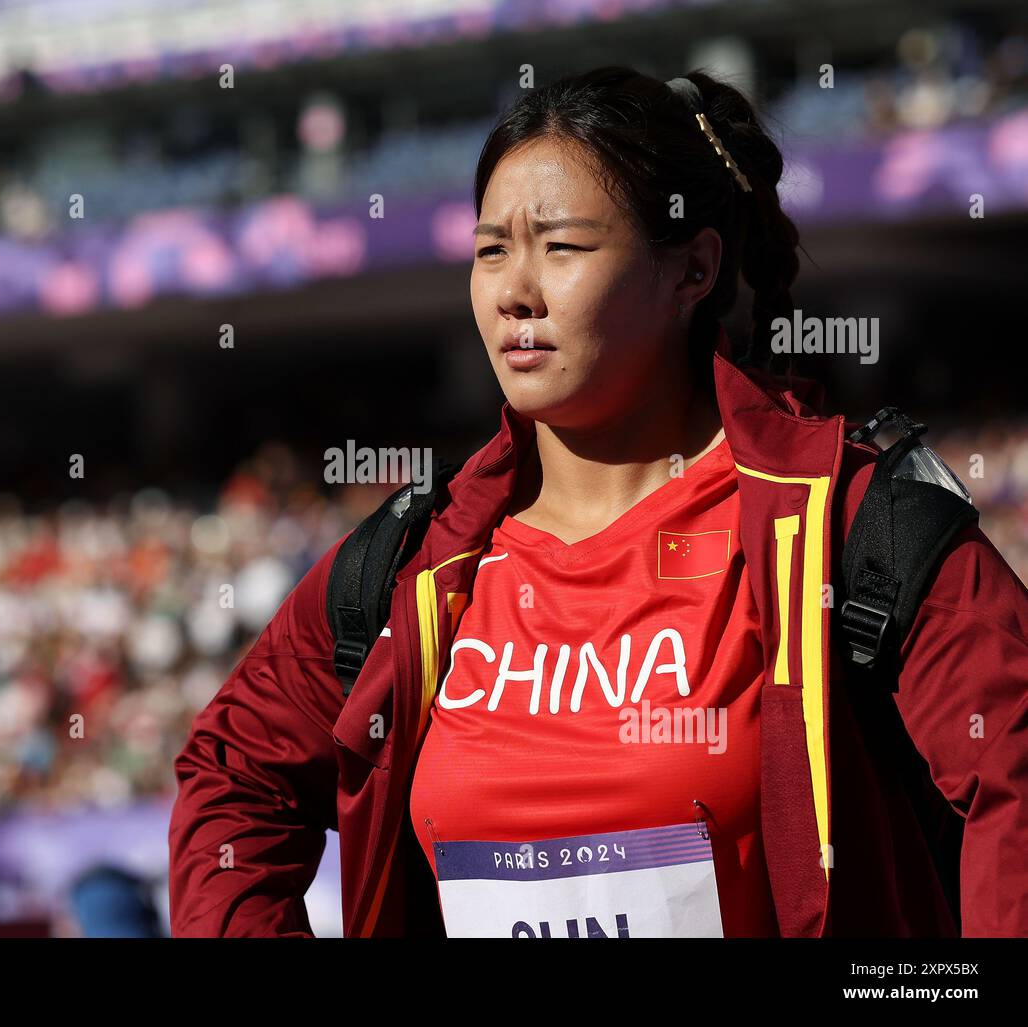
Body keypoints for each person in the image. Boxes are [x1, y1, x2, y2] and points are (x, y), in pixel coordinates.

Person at [167, 66, 1028, 937]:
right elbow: (234, 772)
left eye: (562, 247)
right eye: (492, 248)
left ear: (693, 269)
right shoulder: (413, 560)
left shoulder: (851, 526)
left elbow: (1015, 769)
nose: (514, 291)